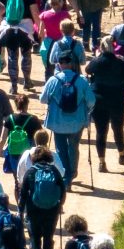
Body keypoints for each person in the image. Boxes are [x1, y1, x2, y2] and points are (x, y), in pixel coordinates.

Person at [40, 52, 95, 190]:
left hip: (57, 122)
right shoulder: (81, 80)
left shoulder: (53, 80)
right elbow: (91, 101)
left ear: (59, 63)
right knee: (73, 147)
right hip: (77, 122)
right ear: (71, 63)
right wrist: (85, 111)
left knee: (60, 149)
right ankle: (72, 172)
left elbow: (42, 99)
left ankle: (66, 177)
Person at [18, 143, 68, 249]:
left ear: (34, 158)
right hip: (52, 209)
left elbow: (23, 194)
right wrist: (59, 205)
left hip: (33, 209)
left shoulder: (31, 171)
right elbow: (63, 190)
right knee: (48, 238)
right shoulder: (54, 171)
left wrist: (21, 212)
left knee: (35, 237)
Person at [86, 39, 124, 173]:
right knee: (118, 128)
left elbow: (87, 70)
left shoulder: (96, 61)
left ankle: (102, 162)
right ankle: (122, 154)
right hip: (117, 100)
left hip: (99, 100)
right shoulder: (120, 62)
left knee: (101, 131)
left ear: (101, 47)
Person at [0, 0, 38, 91]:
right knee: (26, 55)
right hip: (25, 29)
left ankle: (14, 85)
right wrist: (40, 28)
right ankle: (27, 81)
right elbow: (35, 13)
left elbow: (0, 12)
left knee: (12, 57)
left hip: (9, 28)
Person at [3, 92, 43, 164]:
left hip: (13, 153)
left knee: (16, 173)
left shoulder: (9, 119)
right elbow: (41, 137)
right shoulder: (34, 119)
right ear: (27, 104)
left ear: (16, 105)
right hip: (29, 155)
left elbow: (2, 139)